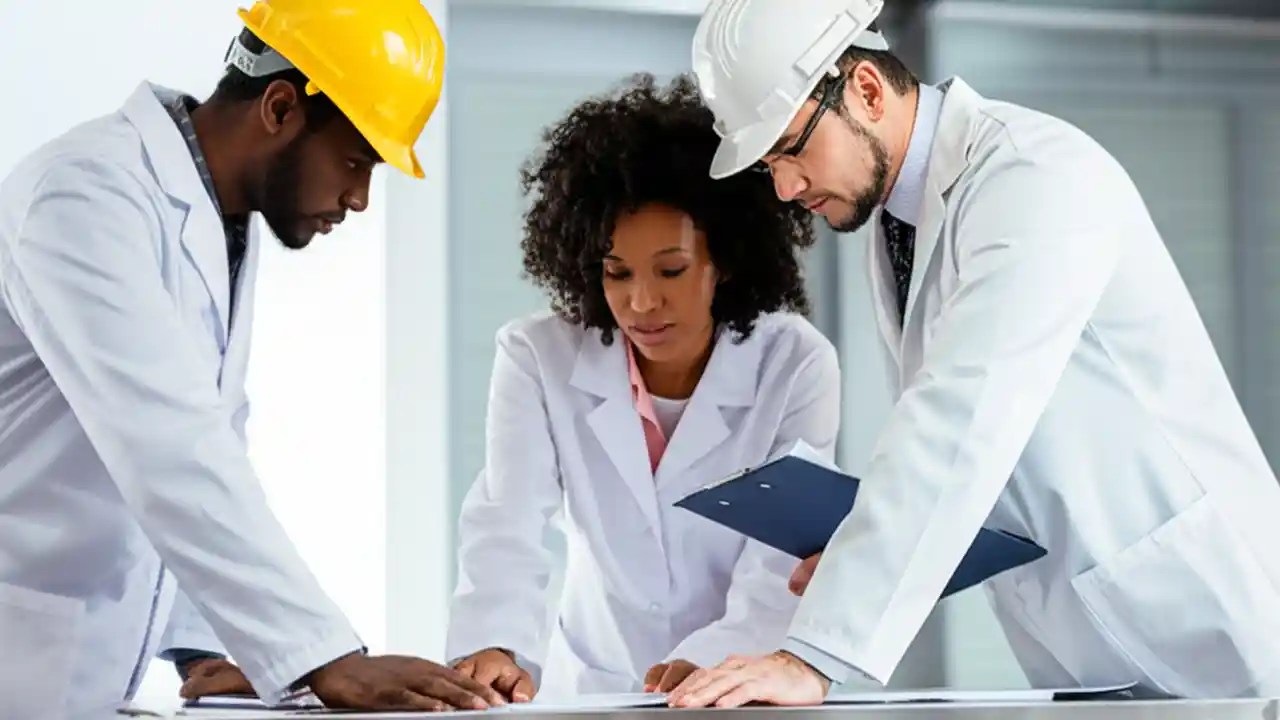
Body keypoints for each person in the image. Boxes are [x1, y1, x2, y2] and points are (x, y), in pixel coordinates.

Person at [667, 0, 1280, 708]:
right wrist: (861, 555)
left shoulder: (1033, 176)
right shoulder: (898, 226)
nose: (785, 187)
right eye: (769, 165)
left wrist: (815, 653)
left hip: (1213, 623)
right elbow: (999, 458)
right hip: (1090, 639)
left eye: (792, 147)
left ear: (865, 89)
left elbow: (959, 419)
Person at [0, 1, 506, 717]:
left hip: (69, 669)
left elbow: (210, 440)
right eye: (357, 160)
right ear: (279, 107)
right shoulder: (84, 194)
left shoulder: (222, 224)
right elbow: (166, 443)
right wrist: (322, 658)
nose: (360, 198)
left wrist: (205, 647)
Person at [444, 74, 842, 702]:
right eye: (617, 273)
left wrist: (711, 660)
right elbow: (507, 517)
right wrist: (497, 643)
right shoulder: (537, 356)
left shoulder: (794, 363)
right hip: (592, 688)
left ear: (725, 259)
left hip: (737, 682)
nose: (641, 302)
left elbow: (780, 563)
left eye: (671, 271)